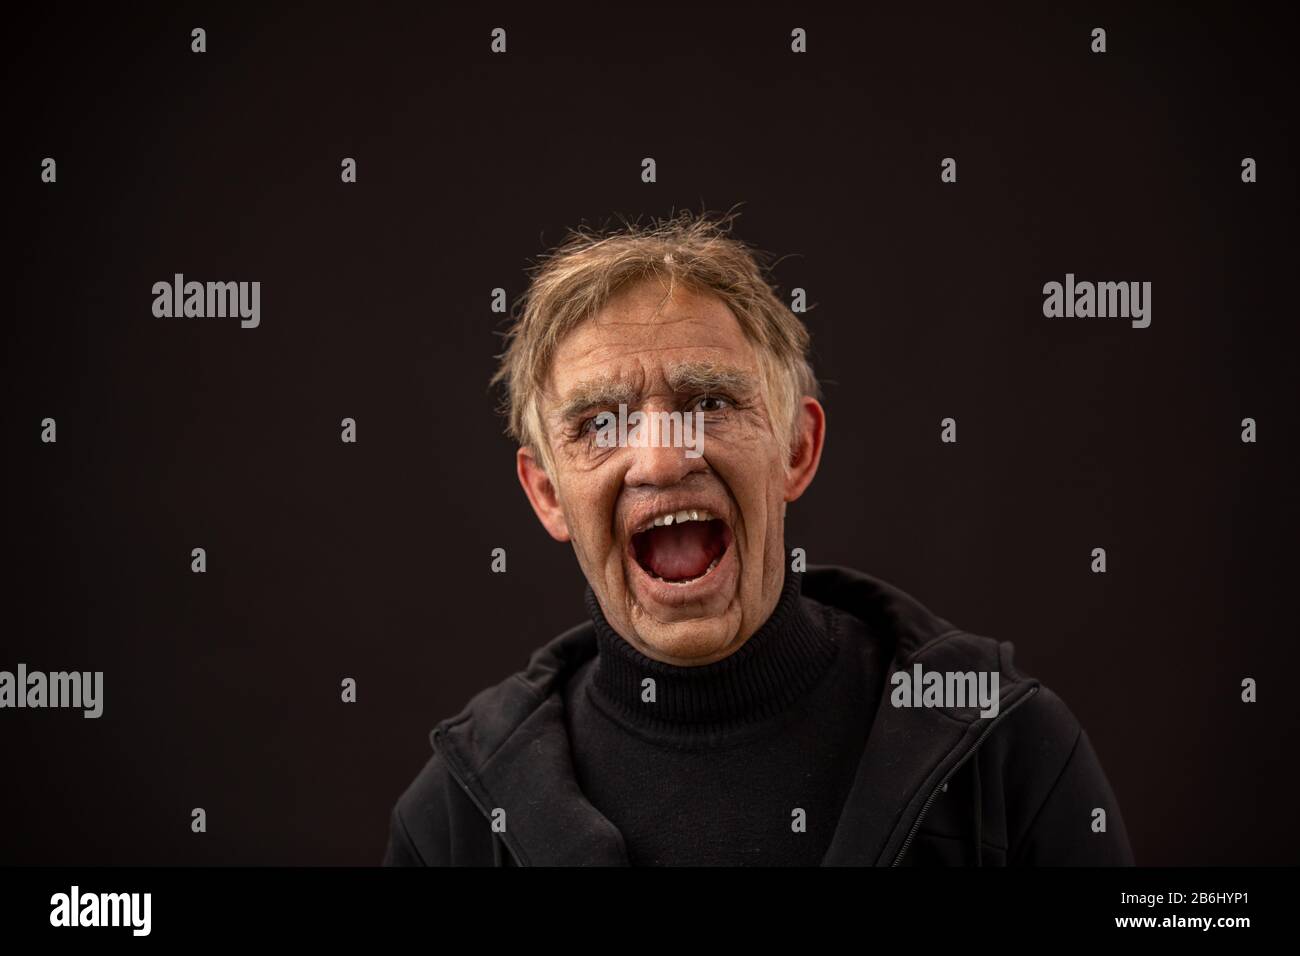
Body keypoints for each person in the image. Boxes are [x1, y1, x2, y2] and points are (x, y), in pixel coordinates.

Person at [383, 211, 1134, 866]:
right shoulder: (456, 817)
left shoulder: (1004, 745)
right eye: (600, 424)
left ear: (796, 450)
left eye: (710, 401)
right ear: (548, 494)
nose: (663, 460)